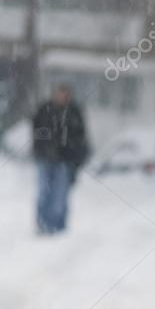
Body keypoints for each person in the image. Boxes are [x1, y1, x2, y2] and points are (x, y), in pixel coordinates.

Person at [31, 84, 89, 234]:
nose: (62, 97)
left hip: (65, 161)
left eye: (65, 94)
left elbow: (80, 138)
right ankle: (42, 223)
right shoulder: (45, 110)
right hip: (45, 158)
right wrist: (44, 149)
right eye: (60, 93)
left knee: (60, 195)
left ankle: (58, 225)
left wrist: (75, 159)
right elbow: (37, 132)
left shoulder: (74, 112)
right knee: (44, 192)